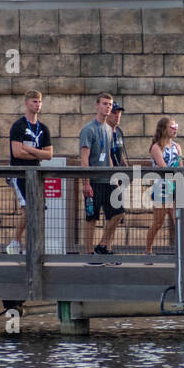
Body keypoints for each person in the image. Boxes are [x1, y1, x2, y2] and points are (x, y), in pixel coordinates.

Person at [6, 90, 53, 255]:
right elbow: (17, 152)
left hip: (35, 173)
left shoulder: (44, 129)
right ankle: (16, 242)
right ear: (26, 103)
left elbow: (49, 154)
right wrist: (37, 151)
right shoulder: (18, 126)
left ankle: (30, 245)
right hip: (19, 173)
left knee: (37, 208)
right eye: (34, 101)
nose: (37, 105)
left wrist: (28, 149)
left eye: (39, 102)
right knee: (28, 208)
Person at [79, 91, 125, 255]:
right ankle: (89, 252)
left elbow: (109, 156)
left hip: (107, 179)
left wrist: (115, 178)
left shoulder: (109, 129)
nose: (107, 107)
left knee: (118, 213)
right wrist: (86, 182)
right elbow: (84, 158)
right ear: (97, 106)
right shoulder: (88, 129)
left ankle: (103, 245)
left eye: (110, 105)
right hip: (94, 180)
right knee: (91, 217)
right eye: (105, 104)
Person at [144, 116, 181, 257]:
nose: (175, 128)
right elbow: (163, 167)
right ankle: (148, 250)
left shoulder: (177, 147)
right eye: (172, 126)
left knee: (178, 220)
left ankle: (181, 252)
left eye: (176, 126)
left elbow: (180, 166)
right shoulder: (156, 147)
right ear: (164, 129)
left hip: (176, 186)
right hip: (162, 187)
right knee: (158, 222)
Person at [107, 102, 127, 167]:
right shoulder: (103, 131)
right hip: (105, 171)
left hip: (118, 172)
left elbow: (120, 153)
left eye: (119, 112)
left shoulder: (119, 131)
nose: (117, 115)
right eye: (114, 113)